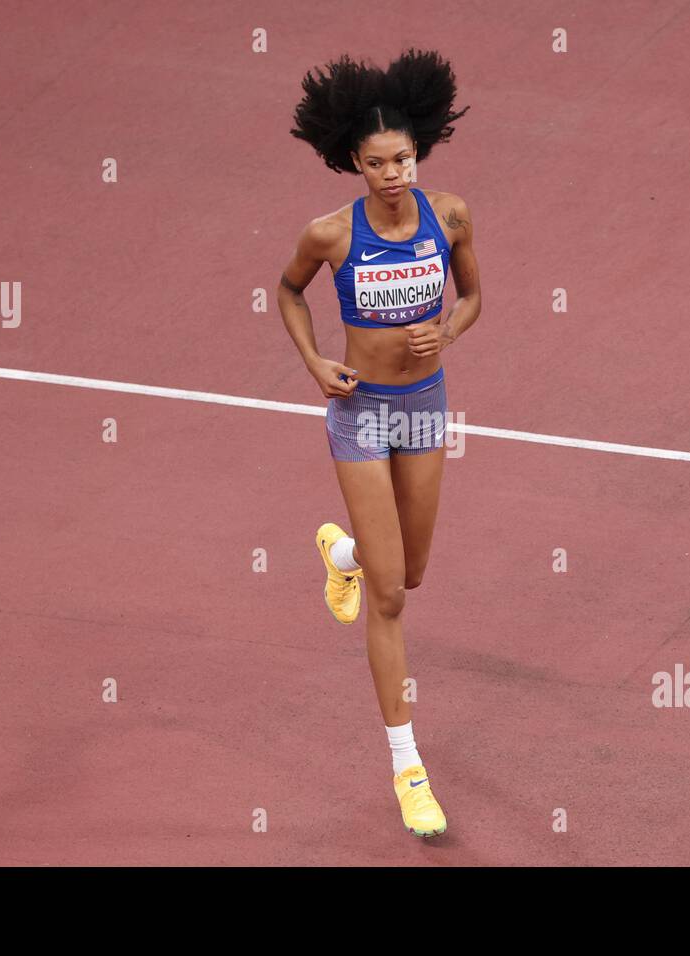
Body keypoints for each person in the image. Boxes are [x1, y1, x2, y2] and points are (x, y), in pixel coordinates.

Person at [278, 48, 482, 837]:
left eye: (402, 158)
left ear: (418, 152)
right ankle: (408, 768)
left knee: (411, 570)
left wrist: (448, 334)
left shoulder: (451, 215)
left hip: (426, 409)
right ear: (352, 164)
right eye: (376, 163)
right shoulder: (331, 234)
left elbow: (474, 299)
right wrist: (312, 360)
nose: (392, 172)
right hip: (360, 413)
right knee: (391, 599)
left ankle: (342, 557)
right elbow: (288, 291)